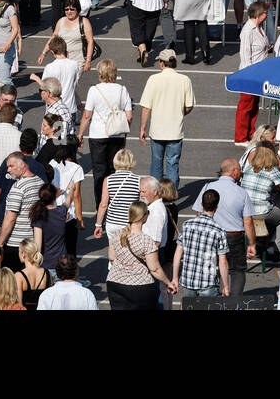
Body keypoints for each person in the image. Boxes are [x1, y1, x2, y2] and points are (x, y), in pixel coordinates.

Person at [191, 160, 256, 300]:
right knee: (237, 271)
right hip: (234, 237)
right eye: (239, 171)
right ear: (233, 172)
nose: (240, 174)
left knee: (212, 269)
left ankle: (215, 299)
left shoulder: (207, 187)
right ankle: (234, 302)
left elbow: (199, 213)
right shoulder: (241, 192)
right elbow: (248, 221)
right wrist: (251, 243)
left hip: (210, 234)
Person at [79, 59, 132, 210]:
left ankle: (101, 205)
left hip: (98, 135)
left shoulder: (94, 90)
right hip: (117, 135)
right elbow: (129, 116)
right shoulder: (123, 90)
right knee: (115, 171)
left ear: (100, 74)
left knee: (99, 172)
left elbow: (87, 115)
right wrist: (124, 135)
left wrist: (80, 134)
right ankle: (115, 203)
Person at [138, 49, 196, 189]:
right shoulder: (184, 80)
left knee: (156, 164)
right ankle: (170, 198)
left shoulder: (153, 79)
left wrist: (142, 128)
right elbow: (189, 106)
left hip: (157, 131)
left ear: (162, 63)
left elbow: (146, 107)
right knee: (173, 164)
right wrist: (179, 113)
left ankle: (155, 195)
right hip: (175, 131)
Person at [107, 201, 177, 309]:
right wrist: (168, 282)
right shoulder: (146, 240)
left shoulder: (118, 234)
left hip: (115, 282)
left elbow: (112, 257)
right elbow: (154, 269)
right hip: (139, 286)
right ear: (144, 216)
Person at [173, 188, 230, 300]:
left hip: (188, 281)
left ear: (201, 204)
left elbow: (178, 254)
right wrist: (226, 286)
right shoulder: (219, 231)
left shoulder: (187, 225)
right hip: (208, 283)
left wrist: (175, 277)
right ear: (217, 206)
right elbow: (222, 262)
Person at [0, 151, 43, 271]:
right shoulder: (40, 182)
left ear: (22, 165)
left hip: (15, 245)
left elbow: (11, 218)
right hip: (32, 242)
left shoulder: (18, 188)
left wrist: (0, 243)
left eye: (11, 166)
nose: (8, 170)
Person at [235, 2, 273, 147]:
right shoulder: (247, 31)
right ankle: (240, 137)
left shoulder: (259, 28)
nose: (267, 14)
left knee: (254, 105)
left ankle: (250, 133)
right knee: (245, 106)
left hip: (258, 74)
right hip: (249, 74)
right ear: (258, 15)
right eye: (265, 12)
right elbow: (245, 56)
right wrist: (248, 76)